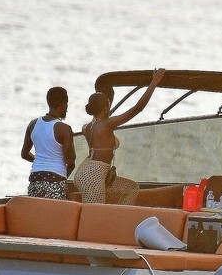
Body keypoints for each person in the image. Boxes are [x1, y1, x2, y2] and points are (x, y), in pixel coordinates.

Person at [73, 69, 165, 204]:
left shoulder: (87, 127)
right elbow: (138, 108)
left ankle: (119, 221)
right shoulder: (106, 124)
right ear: (106, 107)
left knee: (131, 188)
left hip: (91, 172)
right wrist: (154, 82)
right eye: (109, 104)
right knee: (94, 215)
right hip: (94, 175)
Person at [21, 86, 77, 200]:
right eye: (66, 105)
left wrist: (40, 162)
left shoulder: (33, 124)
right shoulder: (64, 129)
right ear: (63, 104)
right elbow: (70, 161)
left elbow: (24, 154)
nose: (67, 109)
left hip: (35, 178)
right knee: (55, 216)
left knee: (38, 214)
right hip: (55, 179)